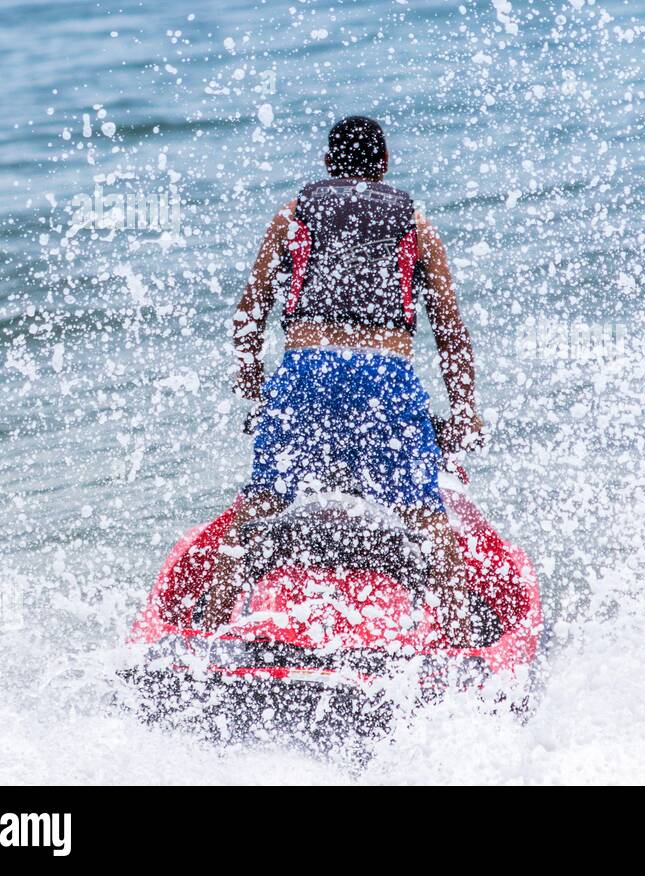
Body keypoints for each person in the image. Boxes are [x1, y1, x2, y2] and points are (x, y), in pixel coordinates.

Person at [202, 115, 482, 646]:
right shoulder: (414, 222)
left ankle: (208, 636)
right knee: (427, 518)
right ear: (384, 165)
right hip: (384, 377)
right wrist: (464, 410)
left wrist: (259, 391)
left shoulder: (293, 214)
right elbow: (450, 330)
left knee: (258, 508)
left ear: (328, 164)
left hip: (303, 373)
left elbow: (248, 315)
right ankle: (465, 646)